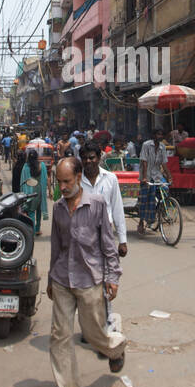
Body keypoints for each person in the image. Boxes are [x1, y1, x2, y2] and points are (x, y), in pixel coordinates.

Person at [46, 157, 125, 387]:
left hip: (90, 278)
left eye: (67, 181)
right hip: (62, 279)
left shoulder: (97, 204)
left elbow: (108, 244)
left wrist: (113, 277)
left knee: (93, 334)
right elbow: (56, 246)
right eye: (59, 182)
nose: (63, 187)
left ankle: (115, 348)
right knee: (60, 336)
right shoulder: (58, 208)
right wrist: (50, 278)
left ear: (79, 177)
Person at [80, 141, 128, 329]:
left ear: (99, 158)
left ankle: (107, 323)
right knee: (85, 284)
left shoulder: (110, 179)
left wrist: (122, 240)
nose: (88, 161)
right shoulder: (77, 180)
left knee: (107, 280)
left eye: (92, 157)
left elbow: (117, 209)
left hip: (105, 237)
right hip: (82, 238)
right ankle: (88, 326)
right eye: (84, 158)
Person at [137, 127, 170, 234]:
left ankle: (161, 211)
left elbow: (164, 163)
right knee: (145, 198)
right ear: (153, 135)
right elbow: (144, 161)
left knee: (165, 189)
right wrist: (145, 177)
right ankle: (141, 221)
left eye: (161, 134)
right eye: (157, 134)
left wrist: (169, 176)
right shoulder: (146, 145)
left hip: (157, 175)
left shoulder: (162, 147)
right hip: (146, 175)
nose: (159, 136)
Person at [20, 148, 48, 234]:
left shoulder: (26, 166)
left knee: (31, 211)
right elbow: (45, 178)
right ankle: (37, 229)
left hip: (30, 191)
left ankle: (31, 230)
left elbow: (23, 181)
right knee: (39, 211)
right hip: (40, 191)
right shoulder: (42, 165)